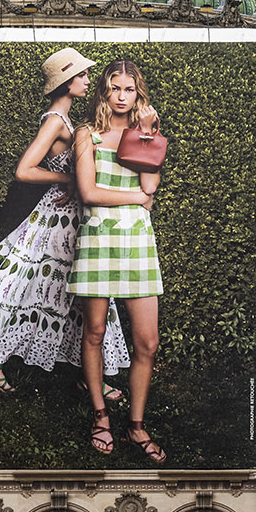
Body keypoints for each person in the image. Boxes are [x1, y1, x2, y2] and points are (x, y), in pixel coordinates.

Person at [0, 46, 131, 402]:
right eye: (81, 75)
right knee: (31, 287)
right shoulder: (55, 121)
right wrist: (68, 182)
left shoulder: (66, 120)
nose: (87, 80)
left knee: (77, 295)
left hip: (71, 218)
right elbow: (24, 169)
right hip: (57, 219)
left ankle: (89, 376)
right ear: (66, 82)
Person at [72, 58, 165, 461]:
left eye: (129, 89)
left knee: (148, 341)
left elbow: (150, 185)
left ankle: (136, 425)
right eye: (115, 88)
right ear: (104, 92)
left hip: (138, 244)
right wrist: (136, 201)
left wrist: (145, 135)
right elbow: (89, 194)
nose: (122, 96)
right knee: (93, 333)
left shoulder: (147, 133)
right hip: (97, 239)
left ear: (138, 92)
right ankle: (100, 416)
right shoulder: (85, 135)